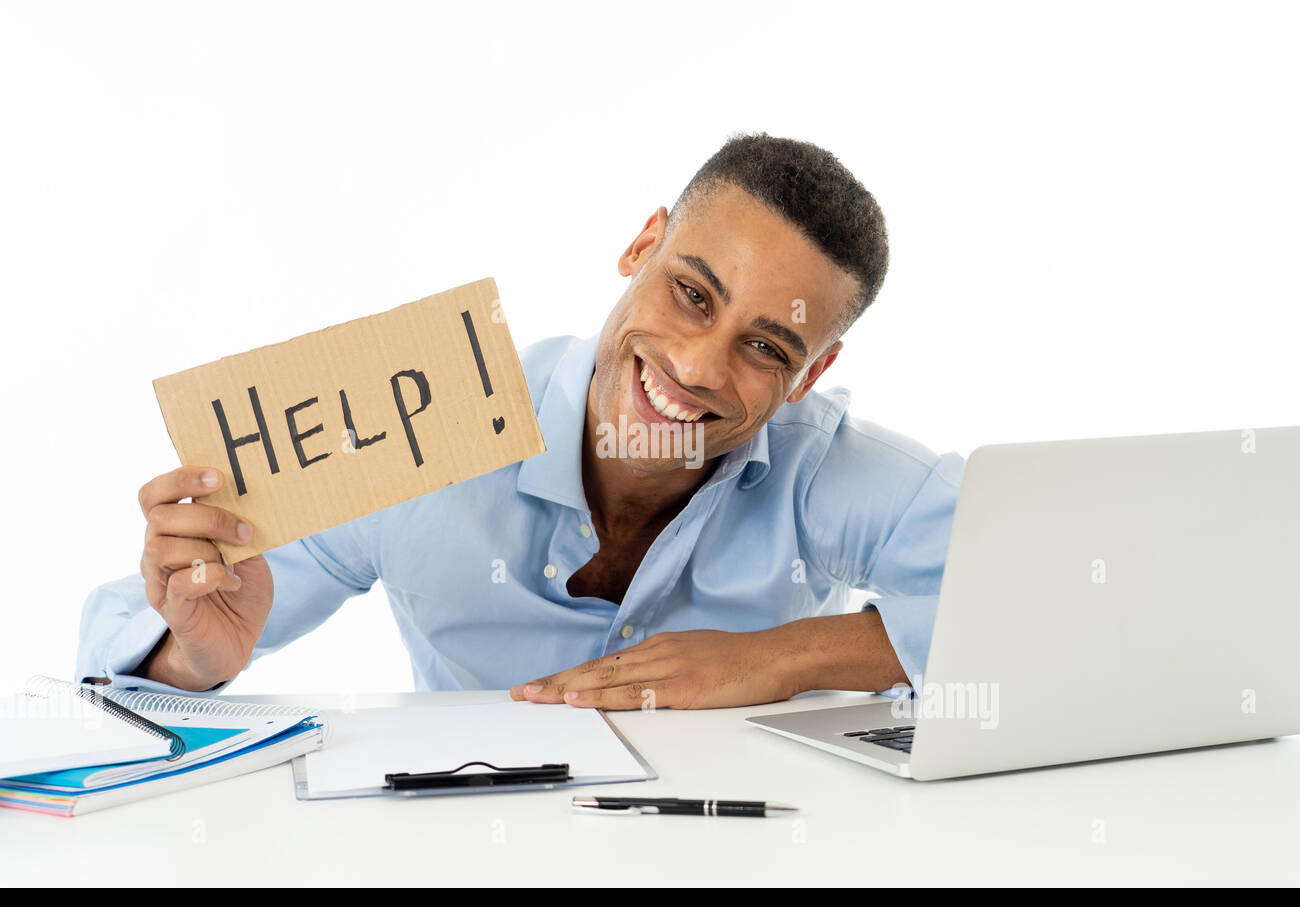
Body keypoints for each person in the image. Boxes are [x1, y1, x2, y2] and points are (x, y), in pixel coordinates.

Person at [77, 131, 964, 710]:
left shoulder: (833, 476)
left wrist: (784, 657)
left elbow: (1065, 614)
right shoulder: (418, 428)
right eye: (691, 294)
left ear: (815, 372)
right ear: (641, 245)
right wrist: (190, 660)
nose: (697, 370)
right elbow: (114, 666)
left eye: (767, 349)